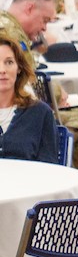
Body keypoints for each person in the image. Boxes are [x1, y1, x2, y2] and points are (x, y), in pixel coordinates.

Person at [1, 0, 78, 170]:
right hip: (18, 110)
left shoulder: (12, 28)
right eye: (45, 20)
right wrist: (54, 91)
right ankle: (69, 176)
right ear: (30, 8)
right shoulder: (9, 34)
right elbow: (26, 84)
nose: (44, 28)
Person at [0, 33, 56, 164]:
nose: (2, 70)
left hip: (29, 184)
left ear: (19, 68)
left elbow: (51, 169)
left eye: (9, 62)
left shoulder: (40, 113)